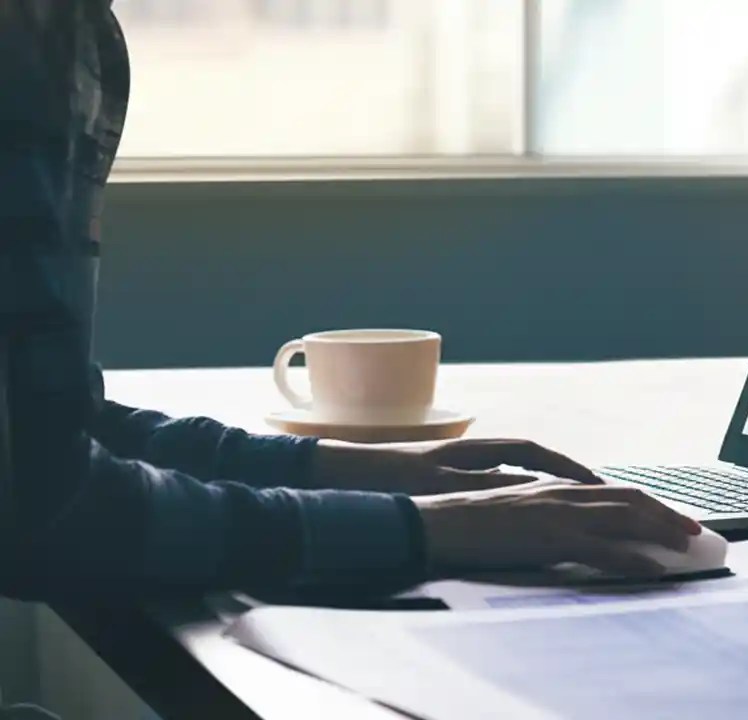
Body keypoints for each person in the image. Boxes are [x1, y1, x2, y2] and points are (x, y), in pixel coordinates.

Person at [0, 0, 699, 603]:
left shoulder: (66, 34)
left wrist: (345, 467)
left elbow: (46, 431)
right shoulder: (26, 45)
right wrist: (431, 528)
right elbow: (49, 515)